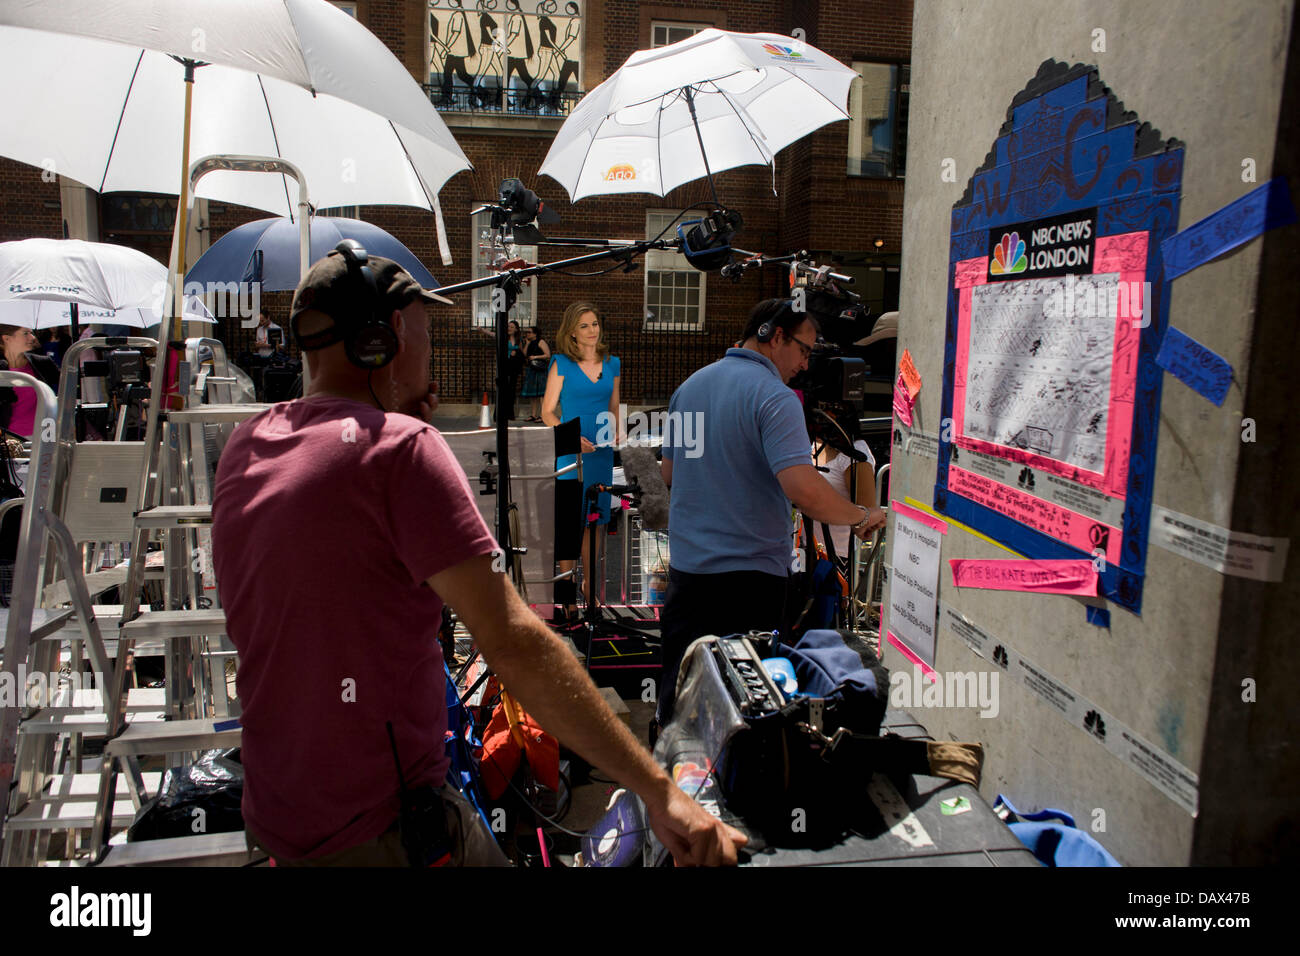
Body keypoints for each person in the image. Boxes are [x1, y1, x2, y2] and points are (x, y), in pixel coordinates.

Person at [211, 246, 743, 867]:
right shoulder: (403, 452)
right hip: (385, 831)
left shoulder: (247, 446)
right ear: (387, 339)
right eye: (427, 334)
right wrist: (659, 792)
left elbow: (326, 589)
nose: (433, 354)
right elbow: (513, 642)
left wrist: (390, 419)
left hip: (278, 817)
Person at [655, 298, 888, 728]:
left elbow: (670, 472)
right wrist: (860, 515)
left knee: (680, 695)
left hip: (688, 576)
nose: (805, 363)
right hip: (748, 582)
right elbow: (804, 489)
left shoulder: (688, 388)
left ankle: (671, 780)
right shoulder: (775, 397)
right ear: (774, 336)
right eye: (804, 349)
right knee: (743, 709)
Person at [541, 301, 620, 622]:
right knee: (568, 526)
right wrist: (571, 439)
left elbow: (614, 408)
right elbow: (547, 412)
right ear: (572, 332)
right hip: (570, 452)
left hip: (600, 454)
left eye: (595, 324)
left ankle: (589, 588)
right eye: (584, 325)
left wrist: (615, 432)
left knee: (595, 523)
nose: (592, 330)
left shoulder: (612, 363)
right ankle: (566, 595)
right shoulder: (560, 363)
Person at [811, 437, 877, 562]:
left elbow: (868, 520)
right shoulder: (811, 443)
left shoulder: (855, 451)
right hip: (801, 550)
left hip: (835, 556)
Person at [0, 324, 61, 438]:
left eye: (31, 333)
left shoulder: (43, 363)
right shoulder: (1, 369)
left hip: (47, 437)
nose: (32, 338)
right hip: (10, 443)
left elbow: (67, 392)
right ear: (6, 338)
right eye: (25, 333)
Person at [520, 324, 550, 421]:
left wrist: (535, 357)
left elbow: (548, 355)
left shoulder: (541, 342)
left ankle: (543, 415)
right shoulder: (529, 343)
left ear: (535, 334)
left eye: (529, 332)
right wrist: (527, 344)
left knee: (541, 393)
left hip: (540, 369)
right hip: (531, 369)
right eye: (526, 332)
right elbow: (524, 354)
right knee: (533, 394)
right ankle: (533, 415)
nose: (527, 334)